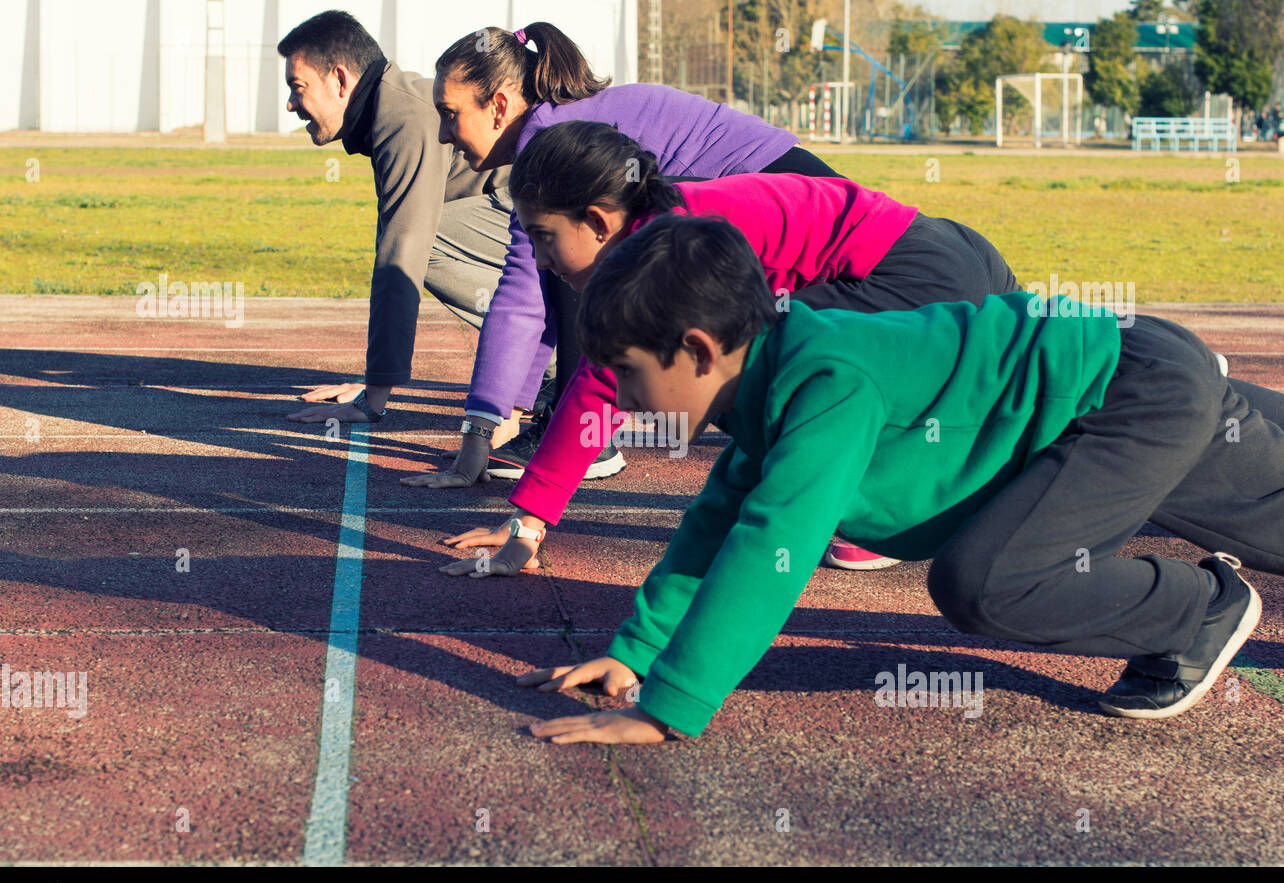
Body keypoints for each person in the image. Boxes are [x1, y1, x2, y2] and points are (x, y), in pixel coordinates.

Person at [517, 216, 1283, 745]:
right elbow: (716, 523)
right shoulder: (770, 379)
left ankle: (1201, 611)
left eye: (626, 372)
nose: (617, 394)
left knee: (989, 582)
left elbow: (770, 545)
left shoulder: (825, 382)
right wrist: (638, 653)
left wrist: (669, 706)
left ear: (698, 348)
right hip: (1112, 394)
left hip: (1127, 396)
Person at [434, 121, 1019, 577]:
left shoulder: (665, 248)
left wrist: (528, 523)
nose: (538, 259)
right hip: (955, 248)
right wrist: (532, 513)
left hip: (915, 275)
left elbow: (601, 381)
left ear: (597, 220)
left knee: (769, 373)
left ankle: (886, 511)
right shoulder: (663, 223)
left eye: (543, 237)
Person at [405, 21, 842, 492]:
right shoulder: (554, 124)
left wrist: (476, 439)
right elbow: (537, 293)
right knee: (569, 262)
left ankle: (869, 503)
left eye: (450, 114)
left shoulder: (550, 142)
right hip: (786, 193)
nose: (446, 135)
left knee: (810, 364)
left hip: (799, 202)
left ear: (499, 106)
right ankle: (570, 428)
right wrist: (508, 410)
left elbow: (520, 296)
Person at [275, 10, 536, 443]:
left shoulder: (402, 116)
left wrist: (374, 396)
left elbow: (404, 248)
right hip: (520, 212)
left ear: (340, 80)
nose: (290, 104)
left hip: (541, 211)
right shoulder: (389, 108)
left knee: (422, 241)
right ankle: (542, 362)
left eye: (297, 88)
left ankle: (545, 365)